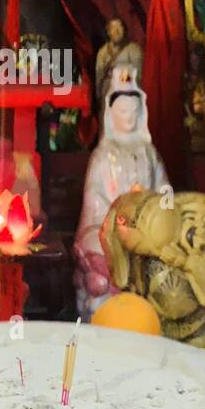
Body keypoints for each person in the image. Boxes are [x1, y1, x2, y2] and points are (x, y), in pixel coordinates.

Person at [73, 65, 169, 317]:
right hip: (110, 226)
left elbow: (163, 188)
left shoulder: (150, 153)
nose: (128, 118)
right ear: (110, 114)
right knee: (99, 250)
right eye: (122, 111)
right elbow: (94, 201)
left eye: (133, 112)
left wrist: (163, 209)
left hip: (147, 226)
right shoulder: (102, 156)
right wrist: (118, 220)